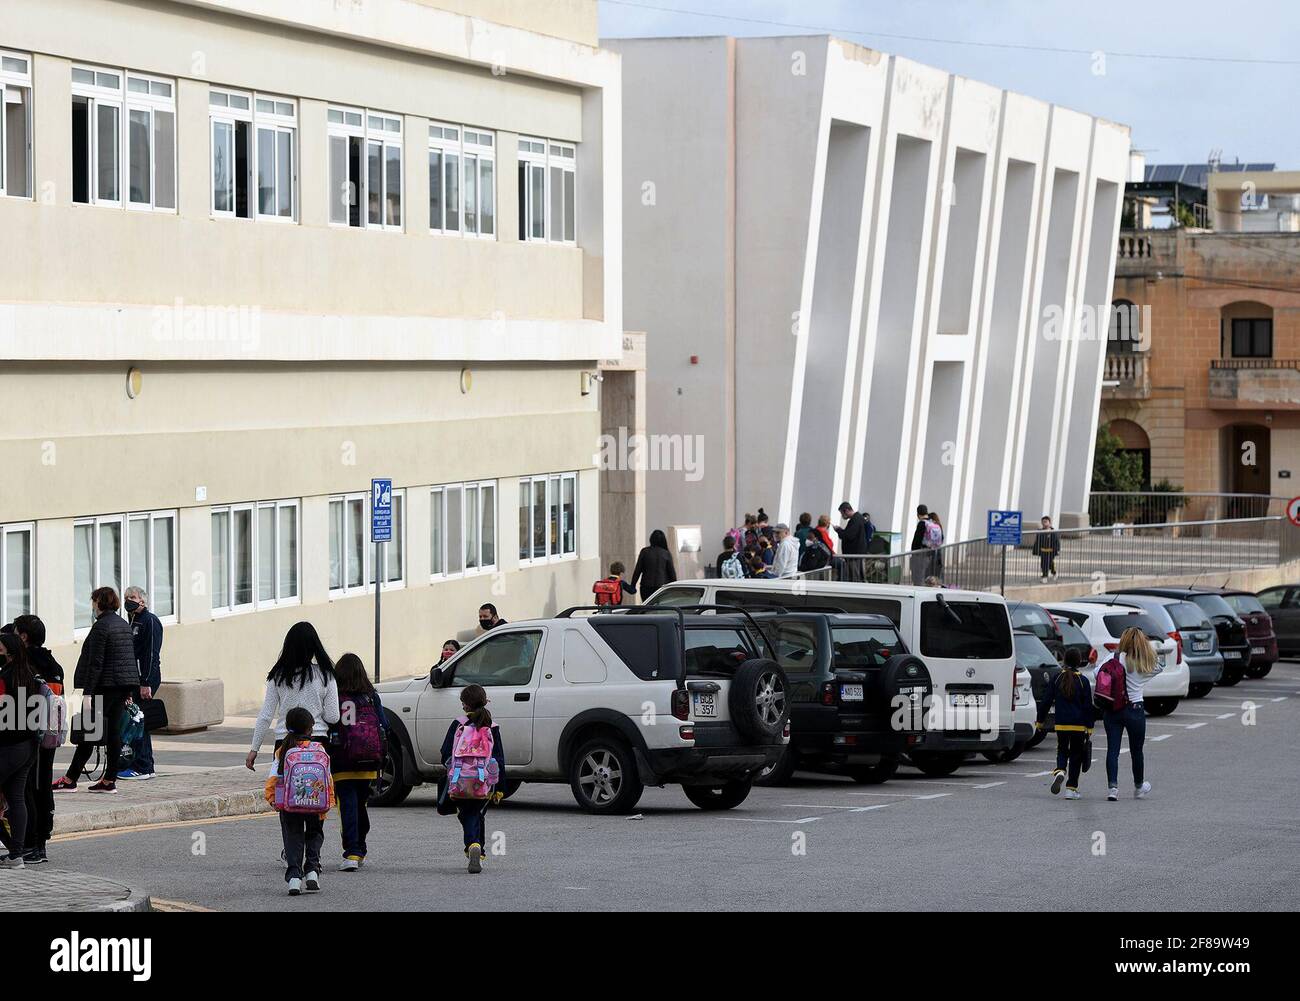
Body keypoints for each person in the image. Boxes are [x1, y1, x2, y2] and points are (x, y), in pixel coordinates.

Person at [53, 587, 139, 794]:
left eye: (93, 601)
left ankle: (70, 779)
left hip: (105, 686)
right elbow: (127, 660)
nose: (92, 605)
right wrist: (128, 691)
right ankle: (109, 779)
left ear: (100, 602)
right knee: (113, 733)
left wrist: (88, 693)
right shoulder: (123, 624)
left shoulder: (101, 627)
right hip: (122, 685)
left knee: (89, 731)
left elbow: (96, 663)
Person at [245, 622, 341, 773]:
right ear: (315, 647)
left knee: (285, 791)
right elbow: (333, 716)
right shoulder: (326, 676)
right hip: (317, 742)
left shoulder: (277, 676)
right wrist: (316, 711)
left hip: (284, 744)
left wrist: (254, 749)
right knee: (317, 790)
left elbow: (265, 716)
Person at [439, 684, 505, 874]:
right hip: (483, 781)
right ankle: (480, 851)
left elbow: (445, 752)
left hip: (460, 779)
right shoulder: (491, 726)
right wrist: (500, 787)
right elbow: (499, 759)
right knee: (477, 813)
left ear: (465, 705)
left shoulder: (459, 724)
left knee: (466, 814)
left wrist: (449, 767)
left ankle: (473, 845)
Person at [264, 707, 331, 895]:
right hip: (316, 804)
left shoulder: (284, 750)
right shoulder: (319, 749)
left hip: (290, 804)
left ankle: (294, 877)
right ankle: (312, 871)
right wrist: (328, 802)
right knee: (314, 835)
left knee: (292, 836)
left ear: (287, 728)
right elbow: (328, 779)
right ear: (311, 729)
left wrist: (273, 799)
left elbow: (274, 778)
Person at [330, 654, 386, 873]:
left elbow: (331, 722)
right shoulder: (371, 696)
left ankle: (352, 851)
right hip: (369, 761)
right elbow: (385, 724)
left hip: (343, 760)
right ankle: (360, 847)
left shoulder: (336, 696)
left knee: (347, 807)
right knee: (360, 805)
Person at [14, 615, 61, 864]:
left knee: (31, 788)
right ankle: (40, 839)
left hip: (33, 734)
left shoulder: (29, 664)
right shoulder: (53, 663)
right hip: (50, 737)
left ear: (23, 637)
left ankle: (35, 844)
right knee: (42, 786)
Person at [1102, 627, 1159, 802]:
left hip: (1113, 708)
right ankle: (1139, 786)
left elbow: (1098, 673)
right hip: (1135, 708)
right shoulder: (1144, 662)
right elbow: (1159, 668)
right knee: (1137, 750)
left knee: (1113, 749)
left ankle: (1113, 788)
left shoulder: (1112, 658)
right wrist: (1146, 650)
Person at [0, 634, 39, 867]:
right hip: (29, 745)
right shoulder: (29, 674)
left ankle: (14, 850)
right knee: (16, 798)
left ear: (9, 651)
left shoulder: (5, 676)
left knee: (15, 798)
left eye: (0, 648)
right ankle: (16, 855)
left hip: (8, 745)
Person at [117, 586, 162, 781]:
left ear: (142, 601)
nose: (129, 600)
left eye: (133, 597)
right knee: (135, 722)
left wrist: (146, 682)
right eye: (126, 597)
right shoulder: (132, 620)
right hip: (134, 679)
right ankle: (141, 764)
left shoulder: (149, 621)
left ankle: (143, 766)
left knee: (139, 722)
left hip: (145, 679)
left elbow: (151, 654)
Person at [1039, 648, 1095, 800]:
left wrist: (1040, 721)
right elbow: (1088, 707)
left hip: (1061, 724)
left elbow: (1046, 701)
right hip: (1078, 725)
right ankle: (1071, 788)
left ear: (1064, 661)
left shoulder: (1057, 678)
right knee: (1076, 756)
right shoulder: (1083, 681)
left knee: (1062, 750)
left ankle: (1060, 771)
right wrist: (1089, 726)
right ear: (1079, 662)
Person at [630, 530, 677, 601]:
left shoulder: (644, 551)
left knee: (647, 608)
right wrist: (675, 587)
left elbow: (637, 570)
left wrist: (632, 585)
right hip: (661, 587)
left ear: (651, 539)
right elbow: (672, 574)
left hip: (646, 586)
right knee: (659, 609)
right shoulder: (666, 553)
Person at [834, 502, 869, 582]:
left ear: (846, 511)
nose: (842, 516)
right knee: (858, 576)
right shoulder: (858, 518)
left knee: (855, 577)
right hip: (857, 554)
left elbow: (849, 536)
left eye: (842, 513)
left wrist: (839, 530)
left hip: (854, 555)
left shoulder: (855, 520)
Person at [1033, 516, 1061, 582]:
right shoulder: (1040, 531)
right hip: (1043, 551)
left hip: (1051, 551)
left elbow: (1057, 542)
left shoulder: (1053, 532)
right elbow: (1037, 541)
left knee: (1049, 563)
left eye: (1045, 522)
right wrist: (1036, 550)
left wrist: (1057, 550)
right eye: (1042, 522)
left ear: (1049, 523)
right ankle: (1045, 576)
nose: (1044, 523)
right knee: (1043, 564)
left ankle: (1052, 573)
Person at [909, 504, 931, 586]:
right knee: (925, 577)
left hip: (919, 555)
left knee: (918, 579)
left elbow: (917, 541)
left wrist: (913, 552)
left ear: (918, 514)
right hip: (929, 554)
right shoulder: (931, 522)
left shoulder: (922, 524)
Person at [925, 512, 945, 582]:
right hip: (938, 551)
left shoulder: (929, 526)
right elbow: (942, 538)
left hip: (930, 551)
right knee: (937, 572)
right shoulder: (939, 526)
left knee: (929, 572)